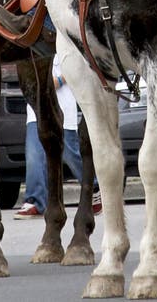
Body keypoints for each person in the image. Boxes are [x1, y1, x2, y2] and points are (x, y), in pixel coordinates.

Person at [14, 54, 102, 218]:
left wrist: (59, 80)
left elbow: (76, 71)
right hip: (37, 111)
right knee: (34, 157)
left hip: (63, 110)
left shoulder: (64, 43)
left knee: (71, 155)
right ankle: (35, 201)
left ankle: (94, 186)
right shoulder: (30, 47)